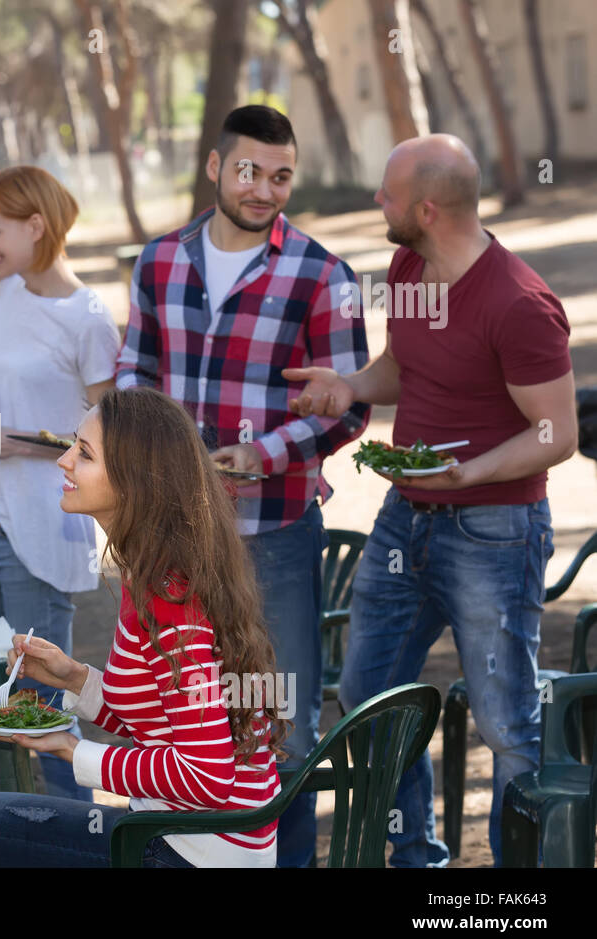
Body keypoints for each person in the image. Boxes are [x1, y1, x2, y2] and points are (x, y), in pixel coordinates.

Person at [287, 134, 576, 867]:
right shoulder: (409, 265)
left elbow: (557, 433)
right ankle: (415, 856)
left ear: (425, 207)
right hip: (401, 522)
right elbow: (405, 364)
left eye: (385, 194)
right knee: (367, 694)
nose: (375, 202)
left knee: (507, 720)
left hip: (493, 531)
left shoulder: (519, 304)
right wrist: (352, 384)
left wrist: (469, 474)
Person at [114, 105, 369, 866]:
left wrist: (265, 454)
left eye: (281, 175)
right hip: (174, 537)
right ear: (216, 167)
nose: (264, 189)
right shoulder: (157, 261)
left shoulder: (327, 275)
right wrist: (146, 454)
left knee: (274, 723)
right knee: (176, 719)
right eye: (250, 170)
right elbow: (136, 374)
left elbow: (348, 403)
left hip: (277, 532)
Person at [0, 388, 286, 867]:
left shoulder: (167, 597)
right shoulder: (161, 570)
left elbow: (206, 775)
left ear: (135, 481)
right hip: (201, 840)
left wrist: (75, 751)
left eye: (85, 453)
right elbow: (163, 724)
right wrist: (73, 677)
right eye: (73, 445)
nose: (64, 462)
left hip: (190, 850)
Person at [0, 164, 120, 803]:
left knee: (39, 709)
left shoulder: (88, 317)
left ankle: (70, 839)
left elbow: (109, 440)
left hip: (41, 527)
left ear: (35, 225)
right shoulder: (1, 294)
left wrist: (12, 442)